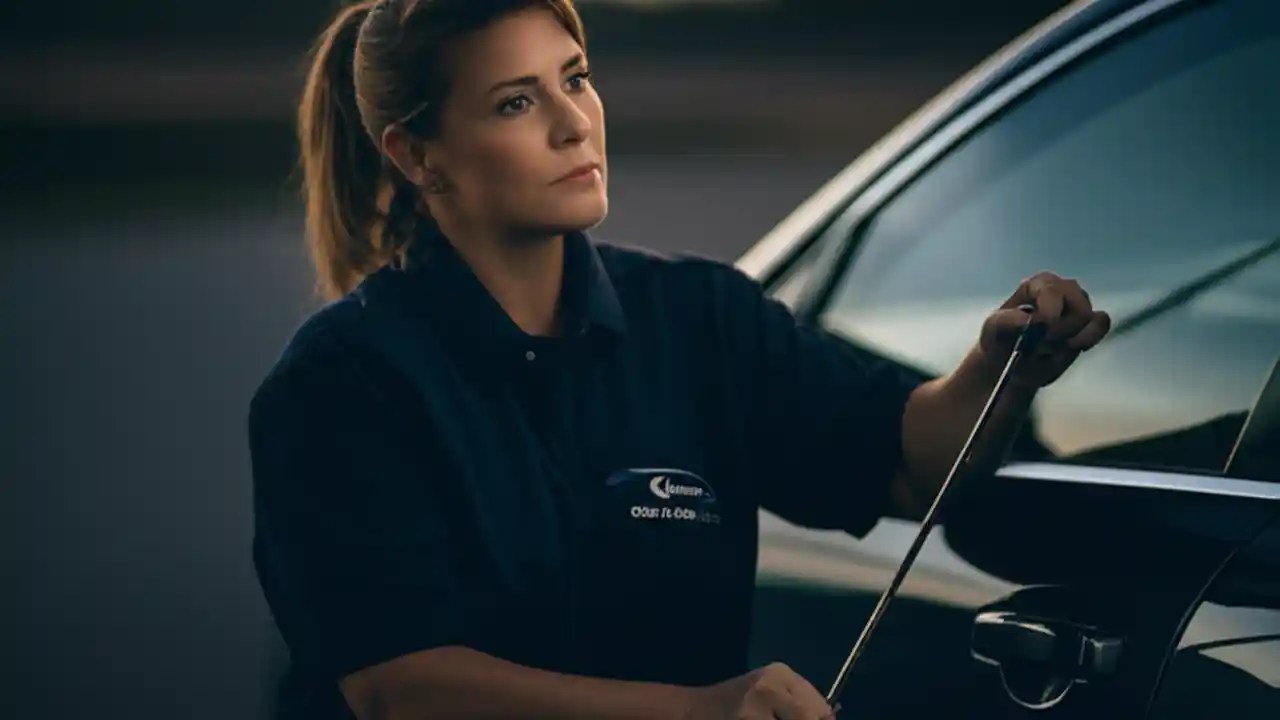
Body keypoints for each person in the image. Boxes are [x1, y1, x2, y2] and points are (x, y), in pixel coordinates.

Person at [246, 1, 1112, 718]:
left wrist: (1000, 368)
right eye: (517, 102)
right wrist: (699, 711)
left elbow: (907, 464)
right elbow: (399, 687)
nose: (573, 122)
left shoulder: (702, 317)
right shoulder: (342, 382)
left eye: (576, 78)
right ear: (415, 154)